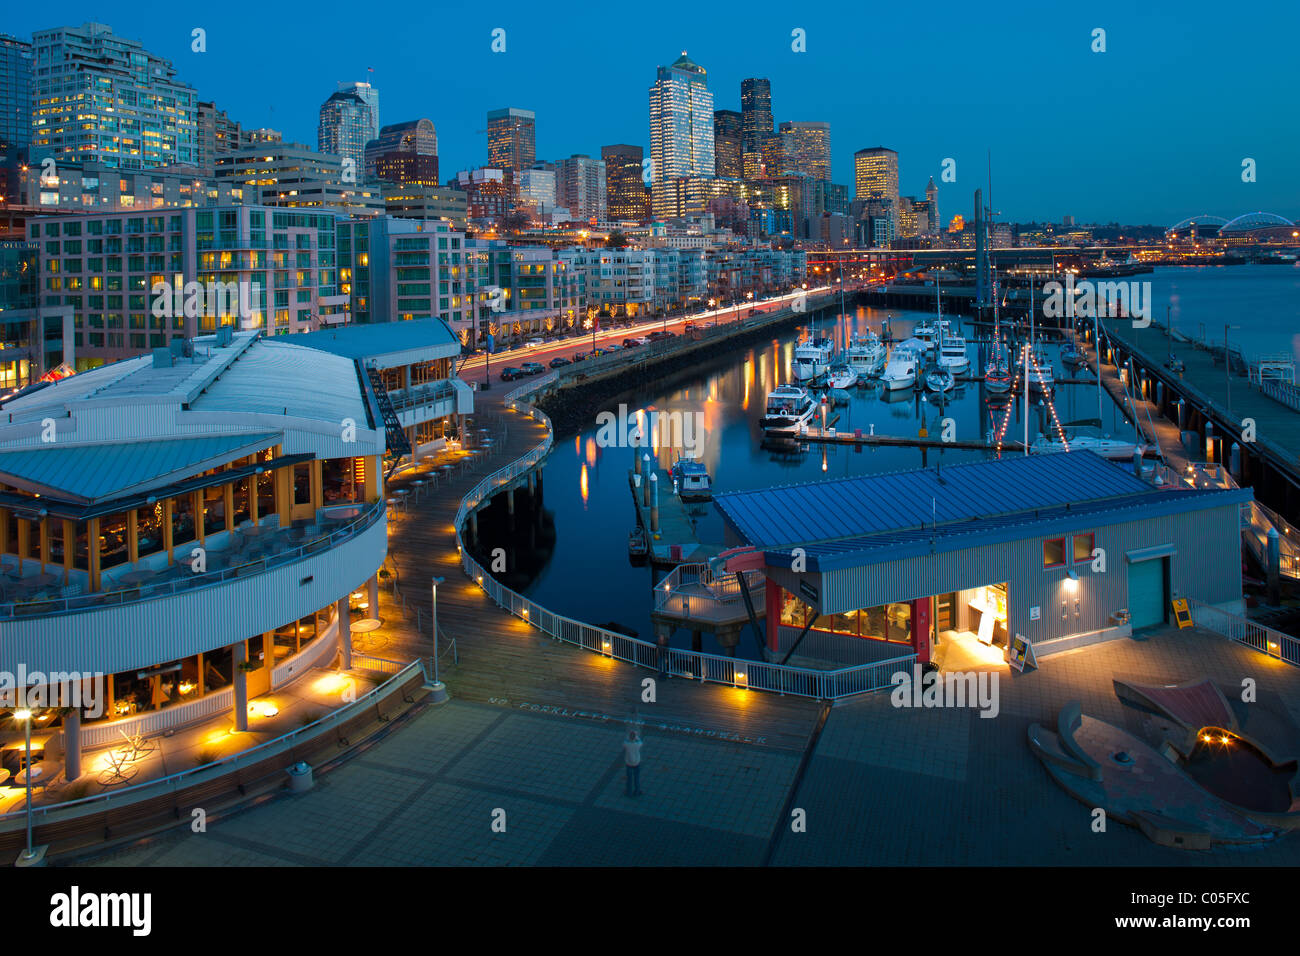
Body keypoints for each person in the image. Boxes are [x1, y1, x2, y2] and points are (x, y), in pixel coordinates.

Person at [623, 729, 643, 797]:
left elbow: (625, 741)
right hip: (636, 763)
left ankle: (629, 792)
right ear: (635, 737)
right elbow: (640, 742)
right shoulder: (637, 744)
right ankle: (637, 791)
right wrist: (636, 736)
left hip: (628, 763)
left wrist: (629, 736)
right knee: (636, 778)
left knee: (629, 778)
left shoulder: (626, 744)